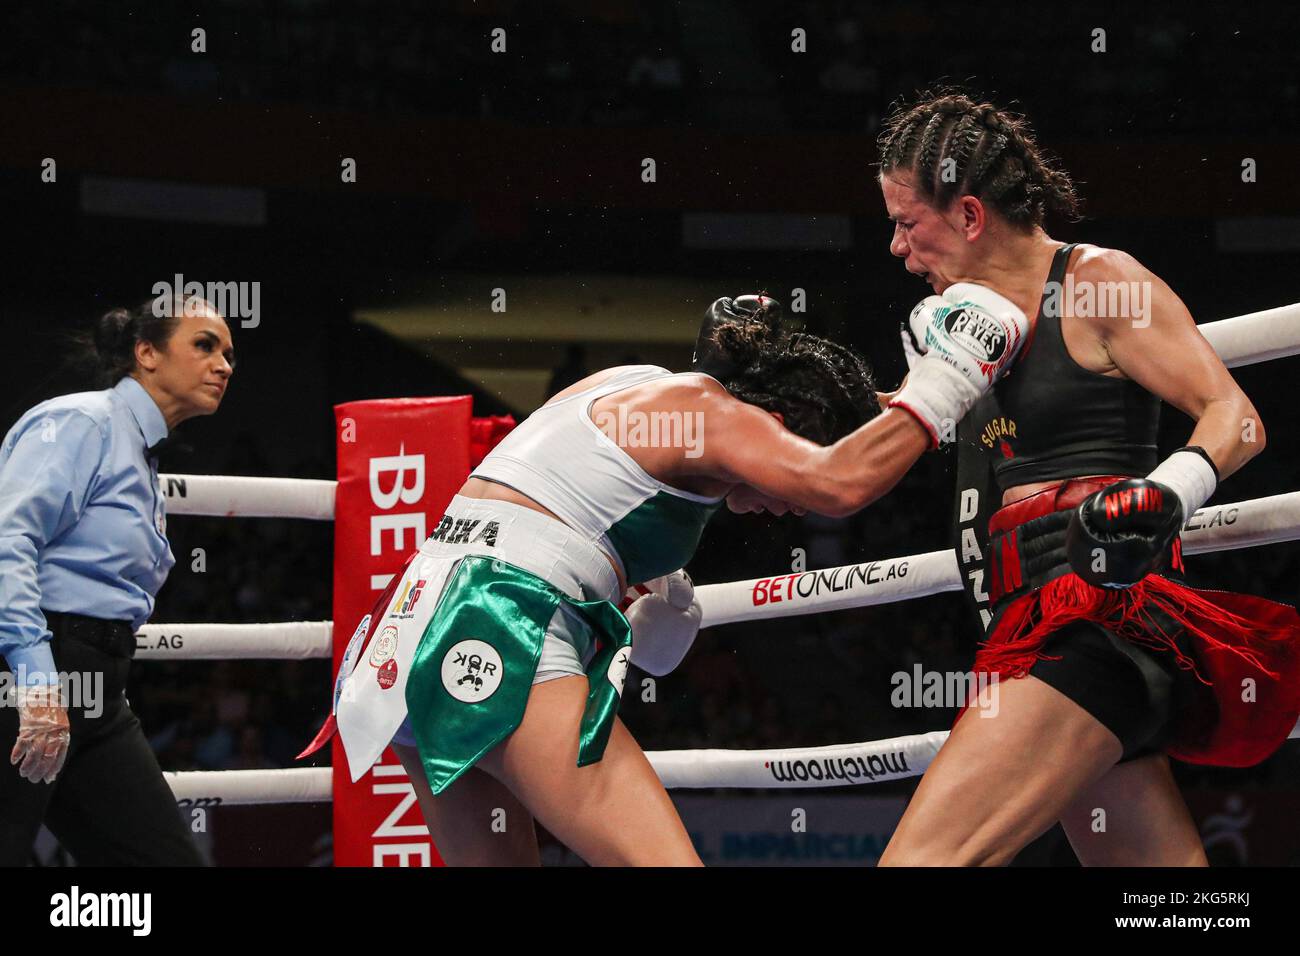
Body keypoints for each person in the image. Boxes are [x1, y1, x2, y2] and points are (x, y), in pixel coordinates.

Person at [305, 287, 1031, 865]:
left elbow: (558, 516)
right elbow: (838, 482)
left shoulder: (636, 390)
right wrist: (951, 374)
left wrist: (641, 601)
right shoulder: (711, 411)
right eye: (783, 458)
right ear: (777, 417)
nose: (779, 506)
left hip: (416, 625)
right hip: (496, 622)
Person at [871, 90, 1300, 866]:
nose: (899, 250)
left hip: (1089, 633)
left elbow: (1235, 416)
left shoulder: (1097, 280)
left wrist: (1166, 493)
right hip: (1040, 647)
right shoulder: (959, 335)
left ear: (970, 216)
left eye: (908, 224)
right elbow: (876, 455)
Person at [0, 294, 234, 865]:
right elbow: (9, 542)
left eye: (228, 353)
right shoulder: (82, 422)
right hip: (28, 673)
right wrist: (36, 683)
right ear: (147, 352)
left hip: (97, 694)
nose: (224, 365)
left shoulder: (141, 454)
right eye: (204, 346)